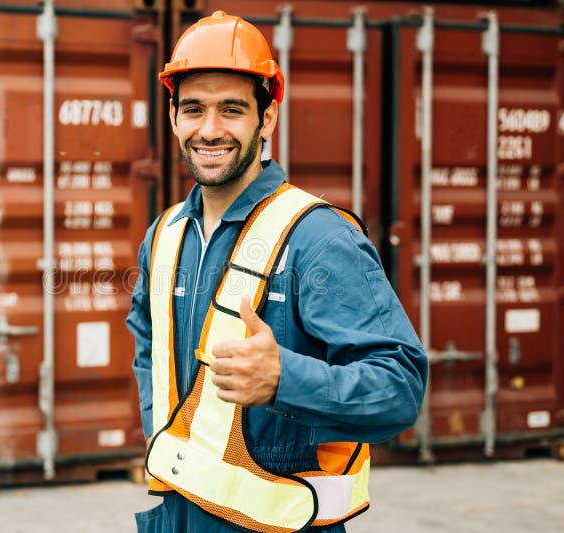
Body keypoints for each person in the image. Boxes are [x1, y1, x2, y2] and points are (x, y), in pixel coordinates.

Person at [127, 10, 427, 533]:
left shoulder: (319, 240)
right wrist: (165, 434)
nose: (210, 129)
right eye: (193, 109)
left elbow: (399, 389)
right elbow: (148, 346)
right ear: (174, 117)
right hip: (176, 516)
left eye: (232, 109)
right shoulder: (165, 235)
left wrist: (286, 379)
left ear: (266, 120)